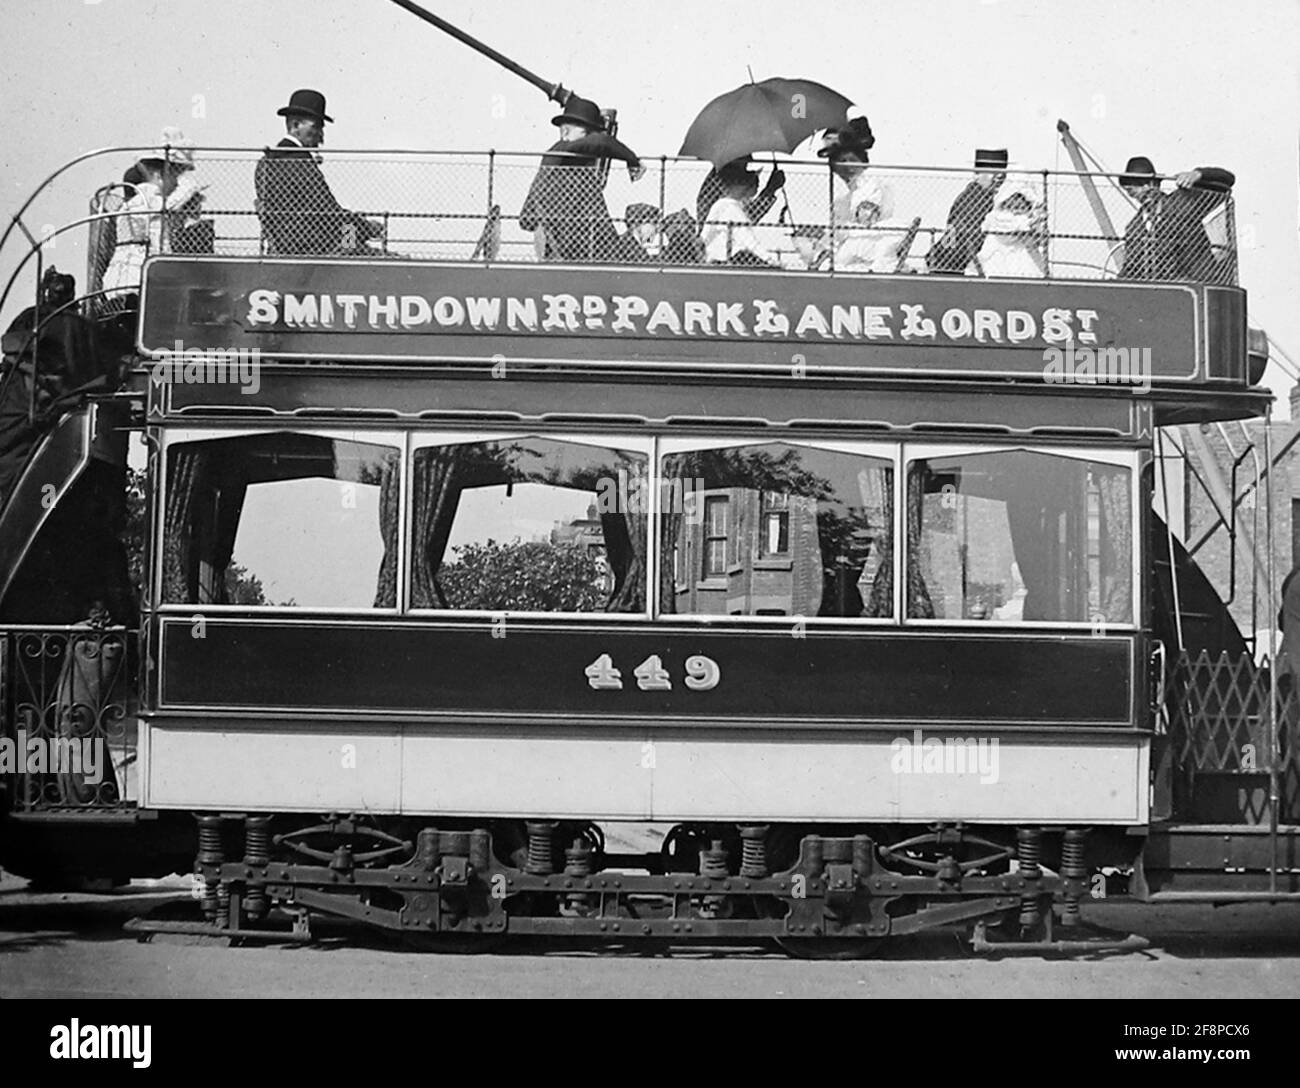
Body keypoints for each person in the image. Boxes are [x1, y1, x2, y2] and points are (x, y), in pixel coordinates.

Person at [0, 269, 107, 507]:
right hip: (70, 411)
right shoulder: (87, 328)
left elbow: (12, 348)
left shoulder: (34, 318)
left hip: (29, 408)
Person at [255, 89, 385, 256]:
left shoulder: (266, 163)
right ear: (295, 125)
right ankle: (353, 258)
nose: (321, 137)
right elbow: (330, 214)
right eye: (316, 127)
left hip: (284, 246)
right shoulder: (300, 165)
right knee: (382, 257)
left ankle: (354, 252)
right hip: (317, 248)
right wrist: (366, 226)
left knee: (351, 230)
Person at [518, 95, 646, 263]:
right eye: (587, 133)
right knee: (645, 224)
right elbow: (602, 142)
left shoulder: (550, 167)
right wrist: (632, 159)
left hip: (571, 248)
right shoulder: (562, 150)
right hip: (593, 249)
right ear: (566, 132)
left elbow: (526, 219)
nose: (590, 141)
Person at [100, 129, 204, 297]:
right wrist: (189, 187)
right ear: (158, 175)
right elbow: (166, 210)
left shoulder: (140, 202)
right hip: (136, 280)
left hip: (126, 280)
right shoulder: (146, 199)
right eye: (174, 174)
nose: (176, 181)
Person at [1117, 155, 1236, 282]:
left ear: (1156, 185)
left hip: (1198, 282)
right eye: (1136, 187)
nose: (1146, 189)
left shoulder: (1183, 202)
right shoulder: (1134, 227)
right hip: (1160, 289)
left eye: (1148, 183)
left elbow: (1227, 179)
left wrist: (1198, 174)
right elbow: (1131, 267)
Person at [926, 148, 1008, 275]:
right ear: (977, 174)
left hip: (949, 257)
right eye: (993, 171)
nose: (999, 176)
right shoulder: (976, 198)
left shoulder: (974, 195)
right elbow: (971, 236)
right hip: (956, 259)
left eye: (1002, 172)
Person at [699, 161, 781, 266]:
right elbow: (748, 240)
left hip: (716, 258)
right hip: (725, 260)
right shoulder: (730, 207)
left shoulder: (724, 205)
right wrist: (770, 260)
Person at [832, 177, 910, 273]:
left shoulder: (884, 228)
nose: (868, 213)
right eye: (864, 208)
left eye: (871, 208)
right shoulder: (853, 232)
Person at [976, 175, 1046, 278]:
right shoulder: (998, 218)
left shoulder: (1028, 221)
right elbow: (1009, 228)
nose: (1016, 211)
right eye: (1012, 206)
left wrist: (1035, 223)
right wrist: (1030, 223)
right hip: (998, 260)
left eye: (1021, 208)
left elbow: (1039, 242)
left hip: (1021, 261)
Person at [695, 156, 784, 229]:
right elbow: (748, 217)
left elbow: (748, 217)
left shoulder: (727, 184)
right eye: (745, 164)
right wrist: (769, 189)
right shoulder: (721, 179)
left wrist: (770, 190)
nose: (746, 168)